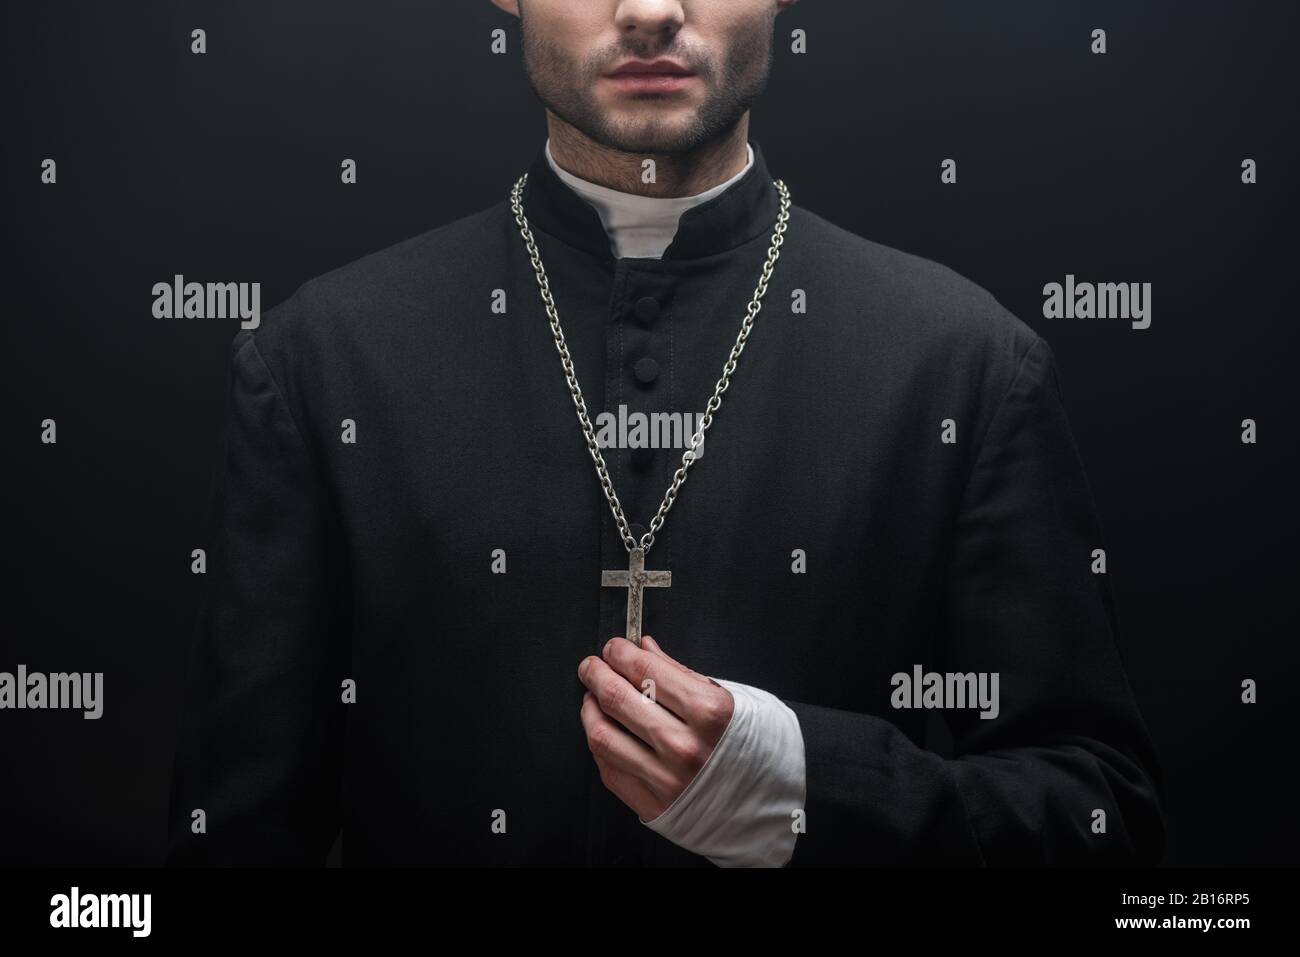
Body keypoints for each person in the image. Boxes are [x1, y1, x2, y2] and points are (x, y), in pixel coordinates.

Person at [166, 0, 1165, 867]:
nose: (649, 12)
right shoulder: (321, 360)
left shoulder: (966, 363)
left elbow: (1100, 817)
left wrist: (813, 788)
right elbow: (240, 838)